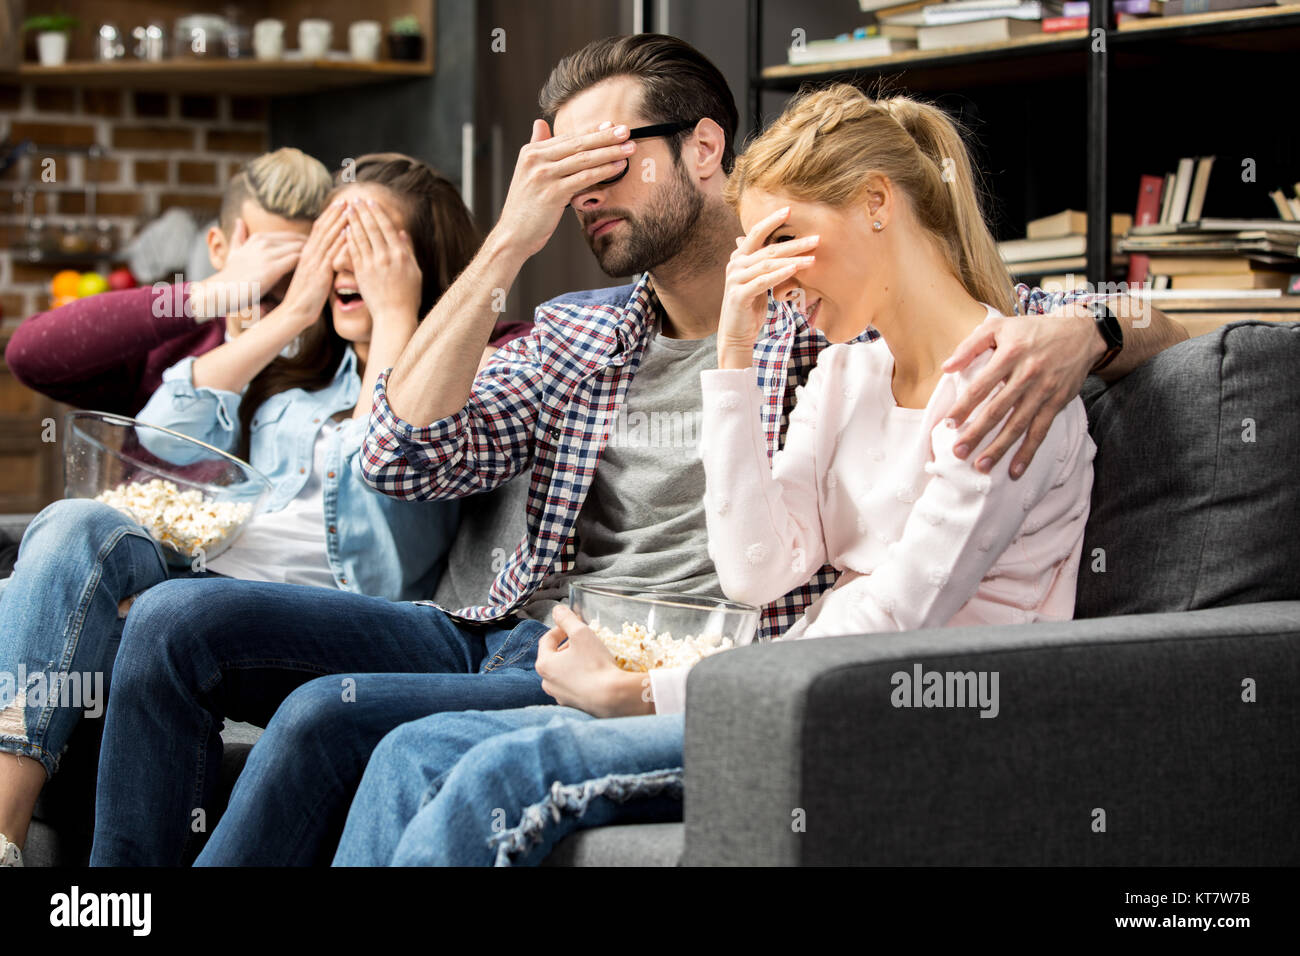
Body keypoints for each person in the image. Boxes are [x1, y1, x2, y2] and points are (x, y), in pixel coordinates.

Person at [94, 34, 1183, 868]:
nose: (581, 191)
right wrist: (510, 243)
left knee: (337, 725)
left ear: (704, 149)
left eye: (603, 159)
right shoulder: (579, 328)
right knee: (179, 617)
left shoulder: (843, 307)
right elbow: (399, 455)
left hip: (693, 661)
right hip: (524, 632)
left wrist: (1092, 328)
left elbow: (1021, 317)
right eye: (560, 167)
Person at [326, 82, 1101, 864]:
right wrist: (733, 356)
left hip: (916, 725)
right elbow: (756, 572)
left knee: (509, 768)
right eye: (757, 246)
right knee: (412, 752)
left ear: (876, 202)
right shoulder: (846, 375)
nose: (775, 276)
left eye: (786, 237)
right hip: (799, 693)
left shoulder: (1012, 386)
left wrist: (638, 695)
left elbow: (895, 625)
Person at [0, 154, 476, 867]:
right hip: (202, 581)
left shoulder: (455, 395)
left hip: (316, 615)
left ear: (424, 260)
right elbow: (158, 441)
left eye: (372, 242)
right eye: (334, 240)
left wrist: (400, 316)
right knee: (73, 525)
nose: (349, 264)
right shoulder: (297, 383)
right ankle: (3, 833)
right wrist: (287, 312)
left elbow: (384, 502)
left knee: (149, 608)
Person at [3, 148, 330, 416]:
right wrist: (212, 292)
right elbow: (28, 355)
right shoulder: (170, 348)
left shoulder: (340, 355)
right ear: (217, 248)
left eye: (297, 263)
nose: (274, 281)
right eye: (265, 257)